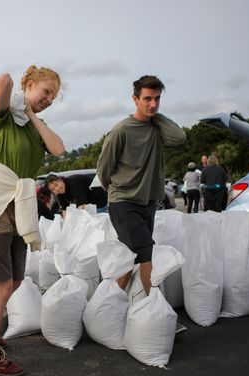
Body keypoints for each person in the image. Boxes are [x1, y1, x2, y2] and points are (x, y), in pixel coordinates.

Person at [0, 66, 64, 375]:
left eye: (54, 96)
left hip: (20, 207)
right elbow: (3, 81)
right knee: (1, 284)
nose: (49, 99)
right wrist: (18, 98)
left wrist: (34, 115)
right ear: (30, 84)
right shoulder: (3, 117)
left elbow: (59, 150)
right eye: (45, 92)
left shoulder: (35, 125)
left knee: (15, 282)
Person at [96, 75, 186, 334]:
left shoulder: (157, 128)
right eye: (147, 99)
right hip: (124, 202)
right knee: (147, 252)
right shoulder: (121, 131)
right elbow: (104, 169)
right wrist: (118, 190)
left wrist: (154, 116)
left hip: (148, 203)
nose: (153, 104)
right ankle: (155, 313)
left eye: (157, 99)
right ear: (134, 99)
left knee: (130, 259)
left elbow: (179, 138)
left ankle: (104, 307)